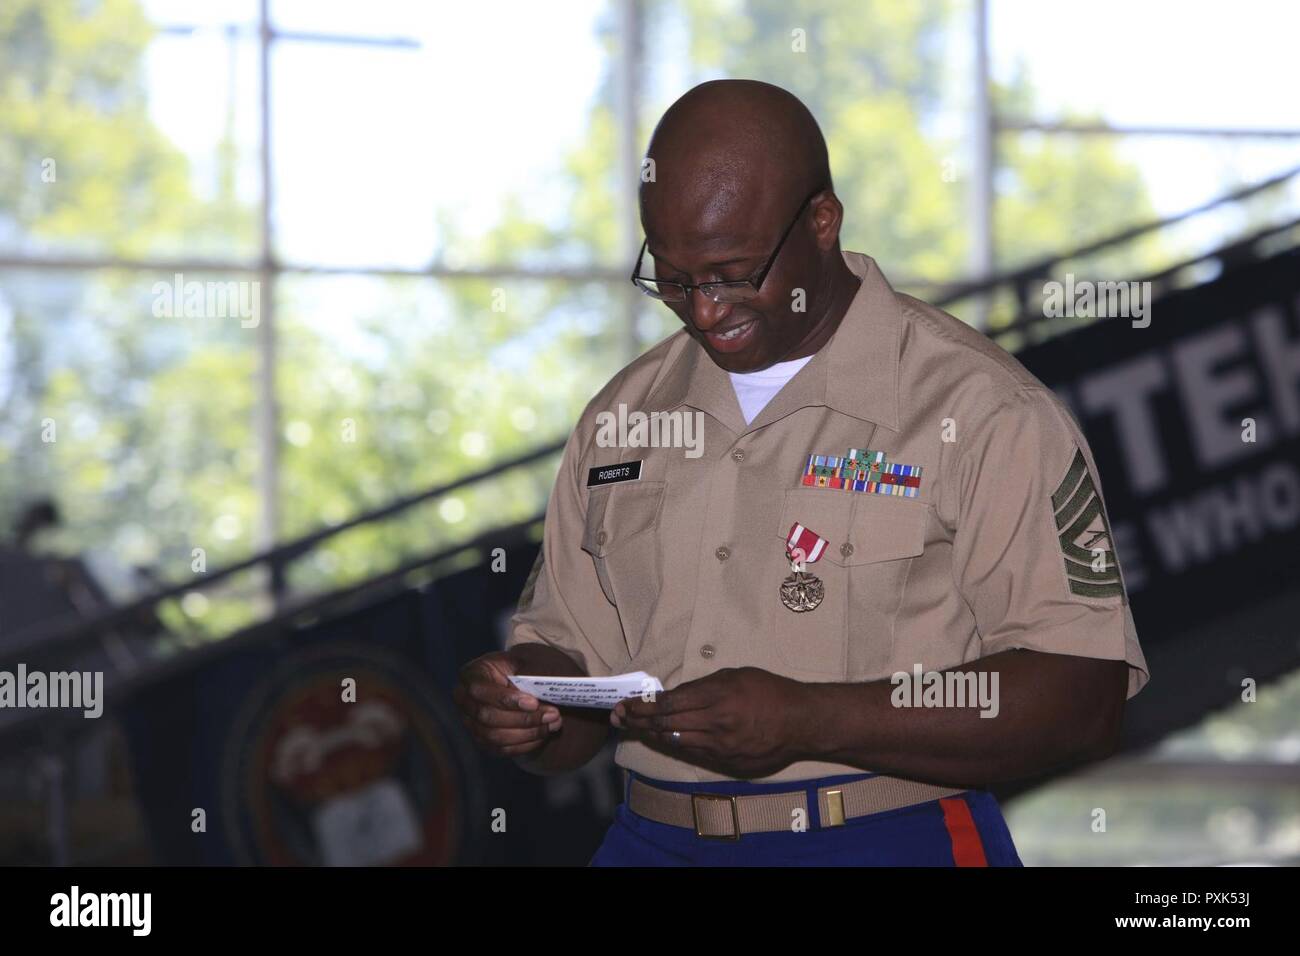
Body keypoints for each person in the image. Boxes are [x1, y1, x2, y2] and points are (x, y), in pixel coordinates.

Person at [454, 79, 1149, 866]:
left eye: (733, 272)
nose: (704, 311)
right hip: (649, 840)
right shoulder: (623, 419)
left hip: (885, 839)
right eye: (674, 280)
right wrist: (527, 700)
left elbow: (1081, 699)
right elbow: (574, 696)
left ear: (823, 222)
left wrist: (811, 720)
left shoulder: (982, 409)